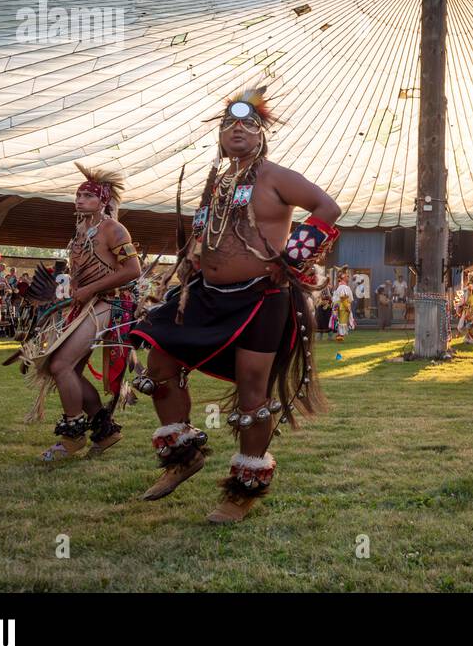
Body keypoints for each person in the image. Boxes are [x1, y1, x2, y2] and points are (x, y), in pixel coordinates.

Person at [130, 86, 340, 523]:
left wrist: (294, 258)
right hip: (204, 296)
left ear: (262, 135)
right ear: (220, 138)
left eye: (248, 124)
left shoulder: (275, 176)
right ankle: (183, 456)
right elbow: (208, 235)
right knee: (160, 363)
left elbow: (327, 206)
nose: (238, 130)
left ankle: (242, 490)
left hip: (261, 299)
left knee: (252, 391)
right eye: (229, 125)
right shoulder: (216, 183)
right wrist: (189, 261)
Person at [16, 166, 141, 462]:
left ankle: (72, 436)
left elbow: (132, 270)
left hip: (108, 304)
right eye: (78, 194)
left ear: (102, 201)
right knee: (65, 369)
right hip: (85, 304)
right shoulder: (81, 230)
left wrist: (90, 289)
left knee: (60, 365)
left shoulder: (113, 229)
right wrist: (75, 289)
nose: (80, 199)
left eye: (88, 196)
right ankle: (104, 430)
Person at [331, 272, 355, 341]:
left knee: (339, 321)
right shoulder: (344, 287)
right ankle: (340, 337)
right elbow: (343, 297)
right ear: (344, 278)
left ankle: (339, 336)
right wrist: (347, 307)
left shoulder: (339, 286)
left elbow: (336, 298)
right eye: (347, 276)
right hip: (343, 306)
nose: (348, 278)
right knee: (342, 321)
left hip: (338, 306)